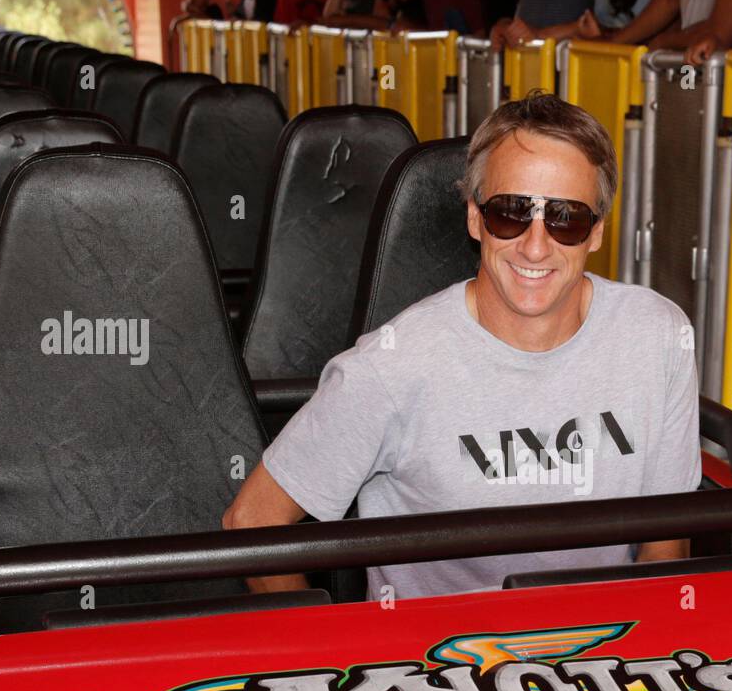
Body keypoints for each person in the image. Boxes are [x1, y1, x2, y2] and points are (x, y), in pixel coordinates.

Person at [223, 93, 702, 600]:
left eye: (566, 218)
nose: (536, 245)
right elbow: (252, 519)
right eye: (510, 213)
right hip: (435, 668)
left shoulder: (657, 336)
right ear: (475, 218)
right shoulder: (391, 368)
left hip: (600, 654)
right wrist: (331, 656)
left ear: (597, 231)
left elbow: (663, 549)